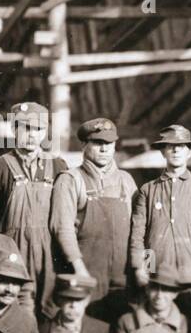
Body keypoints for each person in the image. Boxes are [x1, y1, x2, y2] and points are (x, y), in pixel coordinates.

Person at [0, 101, 67, 309]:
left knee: (48, 308)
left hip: (49, 253)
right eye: (26, 128)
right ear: (14, 129)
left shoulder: (58, 166)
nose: (32, 135)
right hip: (12, 251)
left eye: (38, 129)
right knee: (14, 309)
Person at [50, 117, 137, 318]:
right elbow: (62, 228)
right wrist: (79, 270)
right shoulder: (71, 179)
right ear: (84, 145)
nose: (105, 149)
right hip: (87, 276)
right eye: (98, 143)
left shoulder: (126, 181)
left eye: (109, 143)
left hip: (124, 278)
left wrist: (146, 272)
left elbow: (143, 231)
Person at [129, 125, 191, 297]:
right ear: (163, 152)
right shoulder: (148, 190)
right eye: (170, 146)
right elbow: (141, 234)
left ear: (190, 152)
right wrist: (142, 267)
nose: (176, 150)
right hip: (157, 278)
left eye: (182, 146)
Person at [108, 266, 191, 333]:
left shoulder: (185, 323)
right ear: (147, 289)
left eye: (166, 289)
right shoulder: (127, 321)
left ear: (175, 293)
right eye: (154, 287)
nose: (159, 295)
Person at [39, 274, 109, 333]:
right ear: (59, 299)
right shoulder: (43, 330)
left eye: (79, 299)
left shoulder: (102, 331)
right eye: (68, 299)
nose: (73, 305)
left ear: (87, 300)